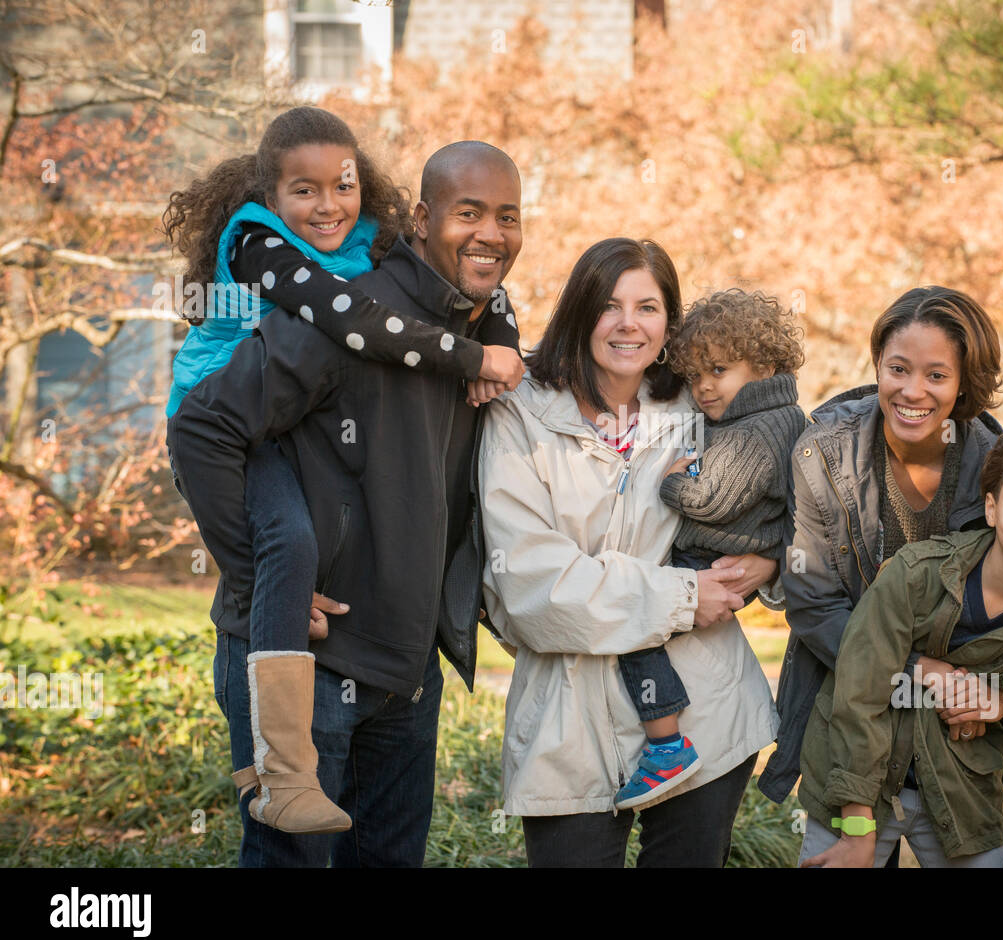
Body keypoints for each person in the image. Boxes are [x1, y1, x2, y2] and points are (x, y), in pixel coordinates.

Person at [162, 108, 524, 836]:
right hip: (312, 661)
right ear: (424, 218)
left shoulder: (468, 321)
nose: (492, 233)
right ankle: (282, 766)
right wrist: (253, 574)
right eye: (470, 212)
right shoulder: (339, 312)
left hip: (405, 670)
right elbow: (203, 425)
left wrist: (497, 341)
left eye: (509, 217)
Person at [478, 238, 780, 867]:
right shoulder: (521, 416)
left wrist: (771, 560)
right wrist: (685, 597)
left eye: (648, 307)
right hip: (567, 725)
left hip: (707, 713)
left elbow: (781, 483)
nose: (628, 324)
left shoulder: (699, 405)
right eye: (610, 305)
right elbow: (534, 587)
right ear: (580, 312)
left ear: (669, 321)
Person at [758, 286, 1003, 819]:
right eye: (898, 369)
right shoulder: (824, 453)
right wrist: (924, 672)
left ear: (964, 382)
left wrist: (999, 692)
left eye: (936, 375)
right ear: (877, 364)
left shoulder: (1000, 467)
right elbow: (813, 607)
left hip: (958, 724)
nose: (912, 391)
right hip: (851, 708)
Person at [797, 425, 1003, 867]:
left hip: (961, 798)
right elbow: (858, 694)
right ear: (992, 509)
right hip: (856, 786)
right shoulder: (915, 574)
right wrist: (857, 828)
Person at [612, 288, 807, 810]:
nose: (702, 387)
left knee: (635, 626)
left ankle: (666, 744)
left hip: (712, 559)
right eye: (695, 375)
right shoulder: (754, 418)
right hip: (724, 555)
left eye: (718, 370)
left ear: (764, 365)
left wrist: (674, 482)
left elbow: (713, 497)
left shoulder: (761, 428)